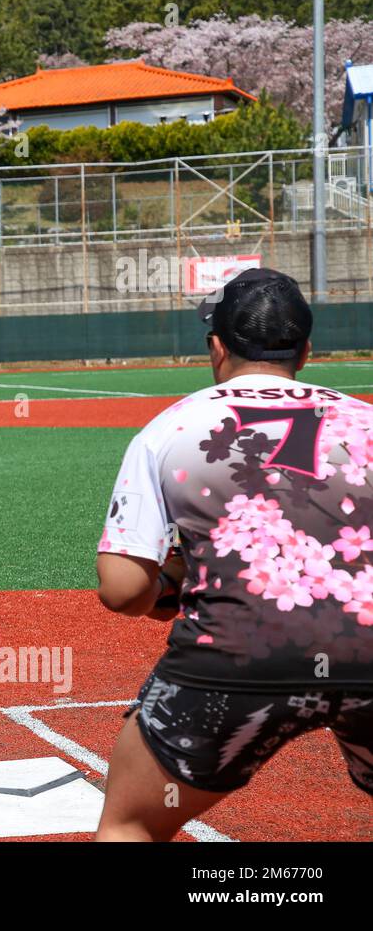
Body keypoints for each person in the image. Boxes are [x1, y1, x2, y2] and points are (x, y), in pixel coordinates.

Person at [94, 268, 373, 842]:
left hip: (237, 653)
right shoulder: (367, 420)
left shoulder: (169, 428)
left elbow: (122, 589)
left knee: (131, 823)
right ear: (307, 350)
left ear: (216, 347)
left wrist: (170, 588)